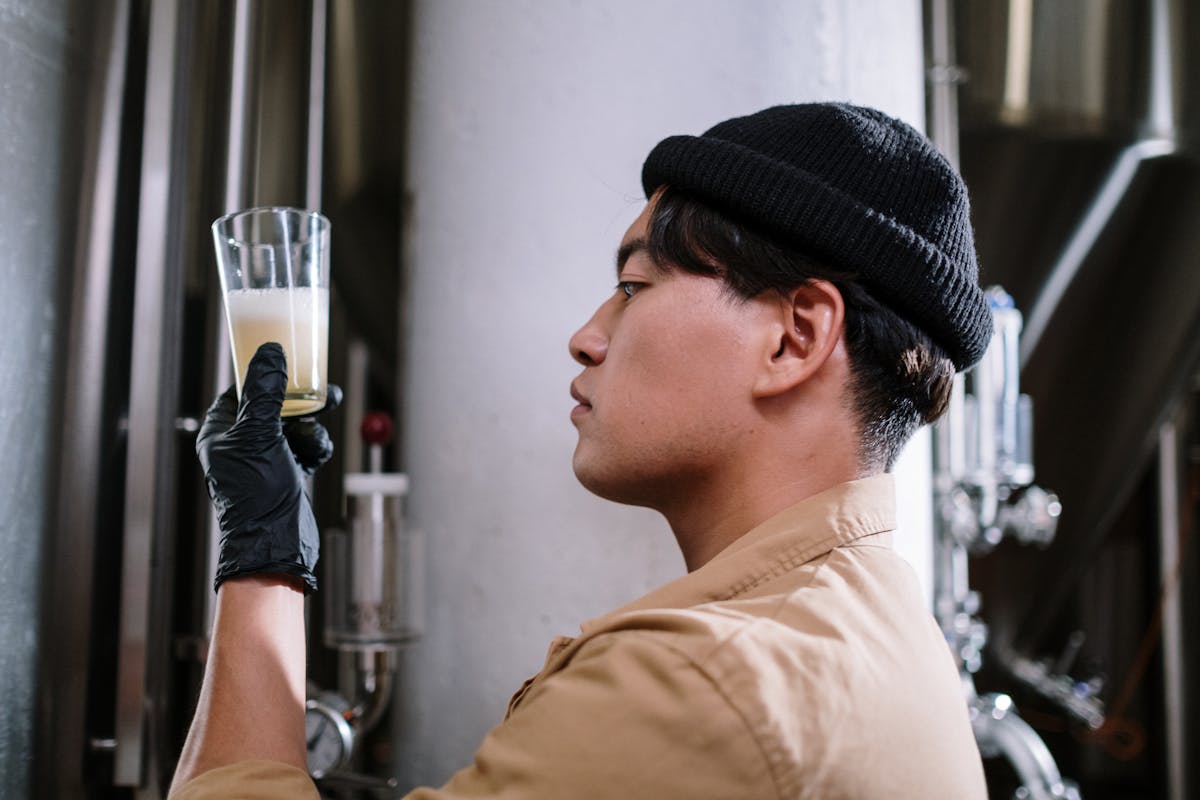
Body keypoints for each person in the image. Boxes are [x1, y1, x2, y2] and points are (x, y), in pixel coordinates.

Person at [170, 103, 990, 799]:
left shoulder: (706, 683)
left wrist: (262, 558)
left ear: (794, 337)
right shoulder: (877, 630)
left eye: (635, 287)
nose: (586, 336)